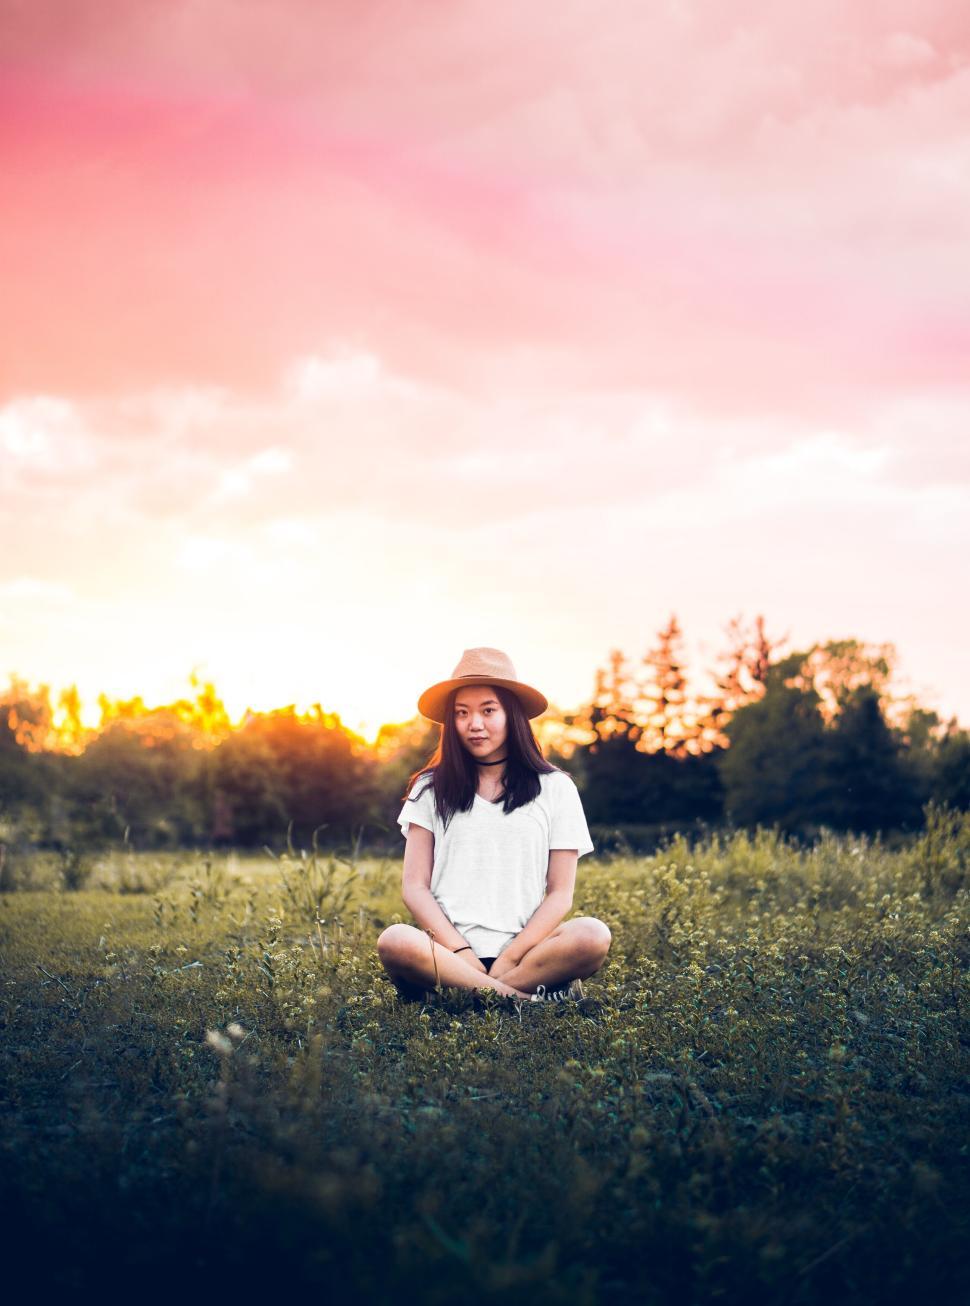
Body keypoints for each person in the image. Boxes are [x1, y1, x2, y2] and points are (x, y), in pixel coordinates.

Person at [376, 647, 611, 1006]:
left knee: (592, 935)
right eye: (462, 713)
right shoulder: (428, 787)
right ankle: (523, 1001)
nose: (475, 724)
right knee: (395, 940)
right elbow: (414, 887)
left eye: (488, 710)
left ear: (511, 715)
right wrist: (462, 952)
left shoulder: (556, 788)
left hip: (528, 955)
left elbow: (560, 893)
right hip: (447, 954)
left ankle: (475, 994)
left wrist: (511, 956)